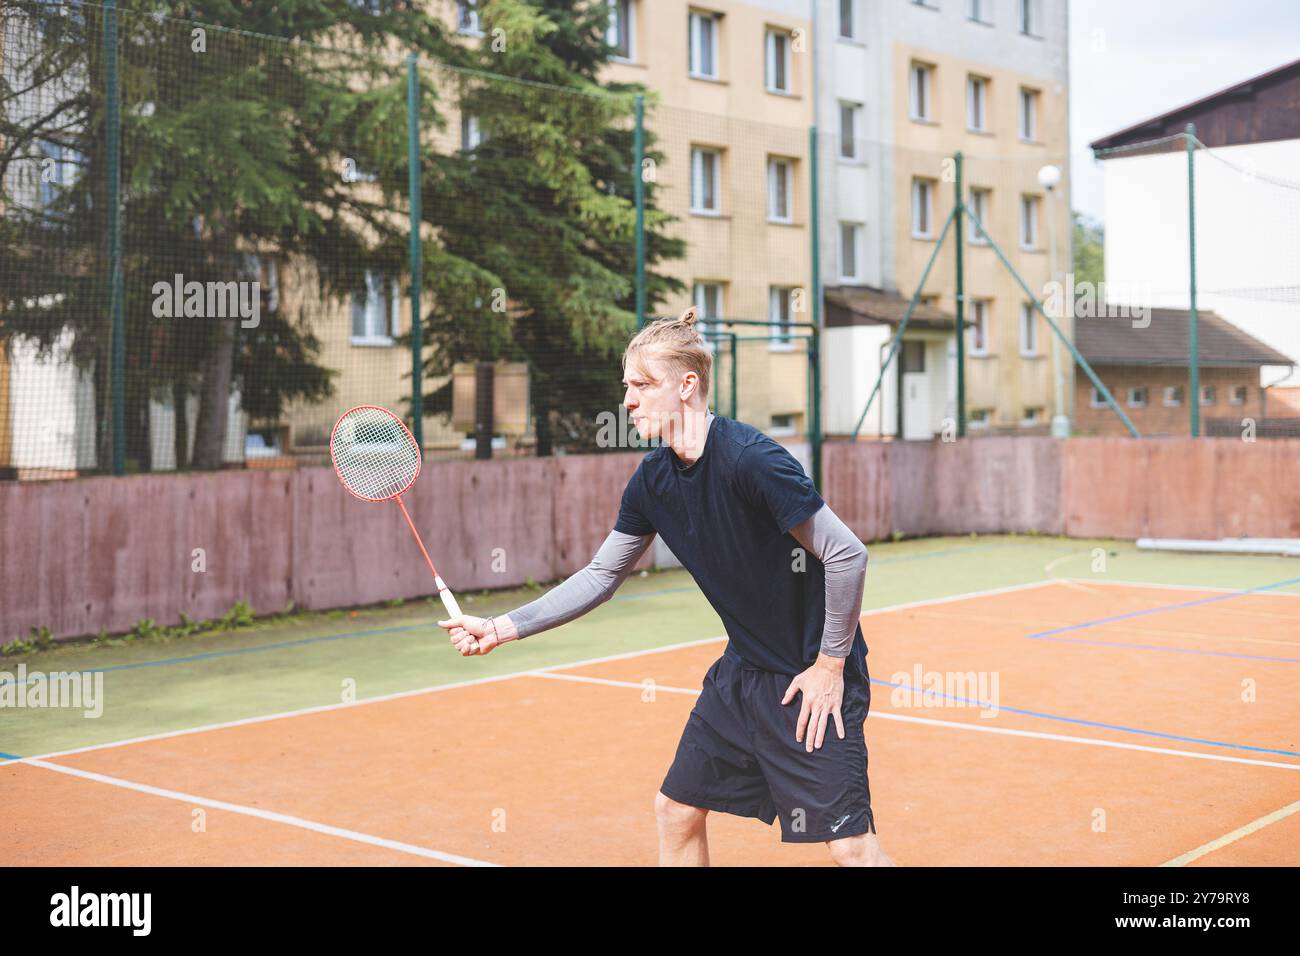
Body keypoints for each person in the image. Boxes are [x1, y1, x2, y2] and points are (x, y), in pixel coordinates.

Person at [438, 306, 894, 867]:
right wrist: (501, 627)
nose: (628, 400)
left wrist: (828, 667)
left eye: (642, 385)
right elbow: (603, 575)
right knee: (676, 809)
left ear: (687, 386)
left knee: (849, 845)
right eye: (626, 386)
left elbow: (847, 553)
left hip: (810, 676)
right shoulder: (652, 481)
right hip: (743, 674)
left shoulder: (753, 461)